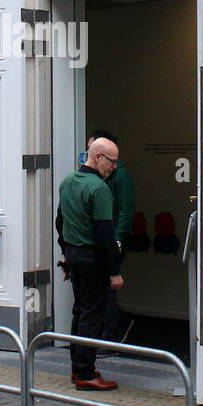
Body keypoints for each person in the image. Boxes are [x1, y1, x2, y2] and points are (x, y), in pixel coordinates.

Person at [55, 136, 124, 390]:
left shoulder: (68, 182)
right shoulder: (99, 189)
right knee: (92, 315)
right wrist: (114, 272)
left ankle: (78, 368)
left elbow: (60, 222)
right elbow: (105, 234)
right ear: (97, 158)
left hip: (74, 256)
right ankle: (85, 374)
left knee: (79, 311)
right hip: (92, 259)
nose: (114, 167)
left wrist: (66, 252)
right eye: (112, 162)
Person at [87, 130, 135, 348]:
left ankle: (109, 336)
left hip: (112, 239)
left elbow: (125, 210)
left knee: (108, 288)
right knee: (100, 287)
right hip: (99, 239)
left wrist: (117, 240)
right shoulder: (92, 178)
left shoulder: (120, 176)